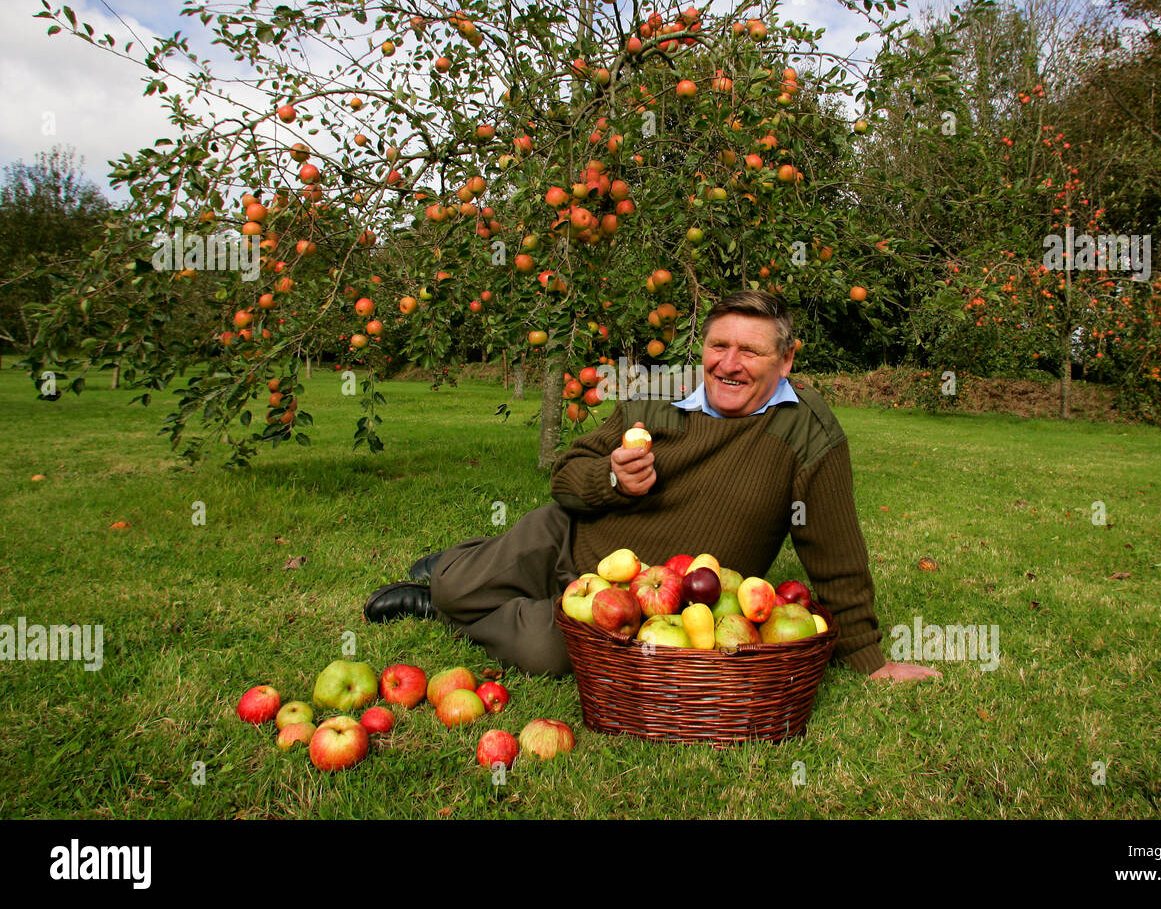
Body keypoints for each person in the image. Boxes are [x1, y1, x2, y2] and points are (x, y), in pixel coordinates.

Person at [365, 290, 938, 682]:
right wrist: (612, 477)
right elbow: (566, 478)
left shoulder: (805, 430)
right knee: (459, 582)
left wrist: (866, 656)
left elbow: (833, 548)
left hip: (652, 605)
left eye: (751, 351)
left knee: (547, 650)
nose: (729, 364)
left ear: (785, 360)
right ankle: (454, 573)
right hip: (572, 539)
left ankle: (439, 602)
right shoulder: (658, 396)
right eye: (719, 346)